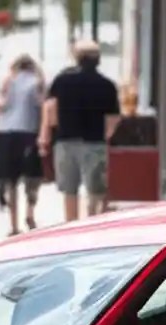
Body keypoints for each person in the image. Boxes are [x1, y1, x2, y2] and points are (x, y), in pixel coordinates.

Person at [39, 39, 120, 221]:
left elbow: (50, 108)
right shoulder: (106, 84)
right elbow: (114, 118)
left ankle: (71, 224)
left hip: (66, 140)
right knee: (95, 189)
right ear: (98, 59)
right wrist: (105, 135)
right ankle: (92, 220)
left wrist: (47, 133)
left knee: (69, 190)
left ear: (76, 58)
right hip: (94, 141)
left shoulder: (62, 80)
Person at [0, 54, 45, 235]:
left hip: (6, 132)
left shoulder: (7, 81)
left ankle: (13, 223)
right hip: (29, 132)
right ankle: (30, 214)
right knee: (32, 178)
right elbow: (42, 104)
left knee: (11, 181)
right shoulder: (37, 82)